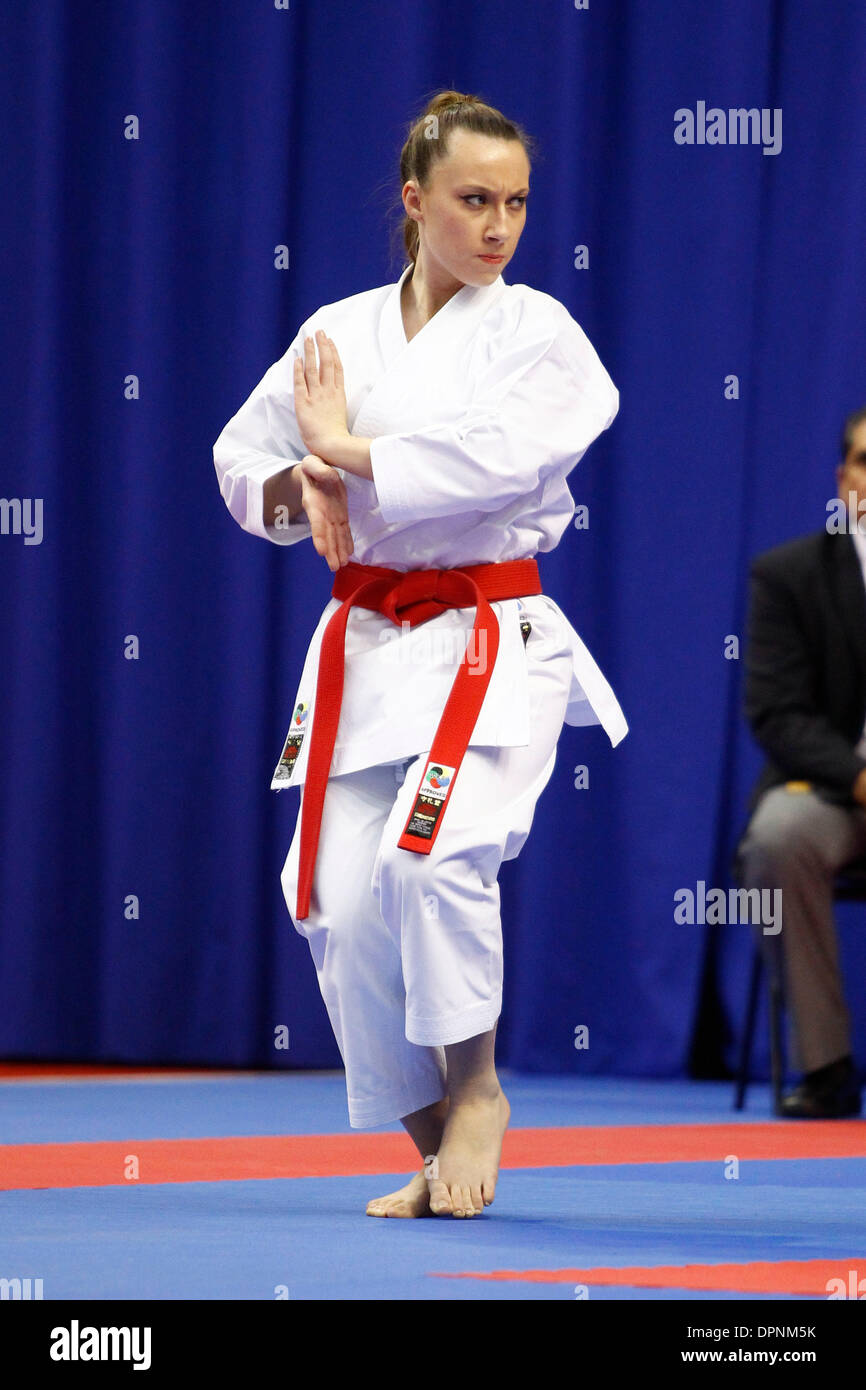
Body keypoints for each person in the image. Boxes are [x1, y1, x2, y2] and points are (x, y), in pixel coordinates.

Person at [213, 90, 628, 1216]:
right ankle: (432, 1134)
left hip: (490, 631)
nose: (499, 225)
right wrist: (294, 481)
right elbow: (239, 458)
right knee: (332, 898)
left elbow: (503, 455)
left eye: (517, 203)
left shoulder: (536, 331)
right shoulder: (335, 335)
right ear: (415, 201)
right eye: (473, 200)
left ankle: (480, 1089)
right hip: (366, 639)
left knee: (430, 858)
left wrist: (346, 447)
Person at [736, 404, 866, 1118]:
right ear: (845, 477)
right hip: (831, 790)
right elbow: (777, 713)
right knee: (778, 840)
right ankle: (828, 1066)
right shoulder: (789, 575)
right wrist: (858, 777)